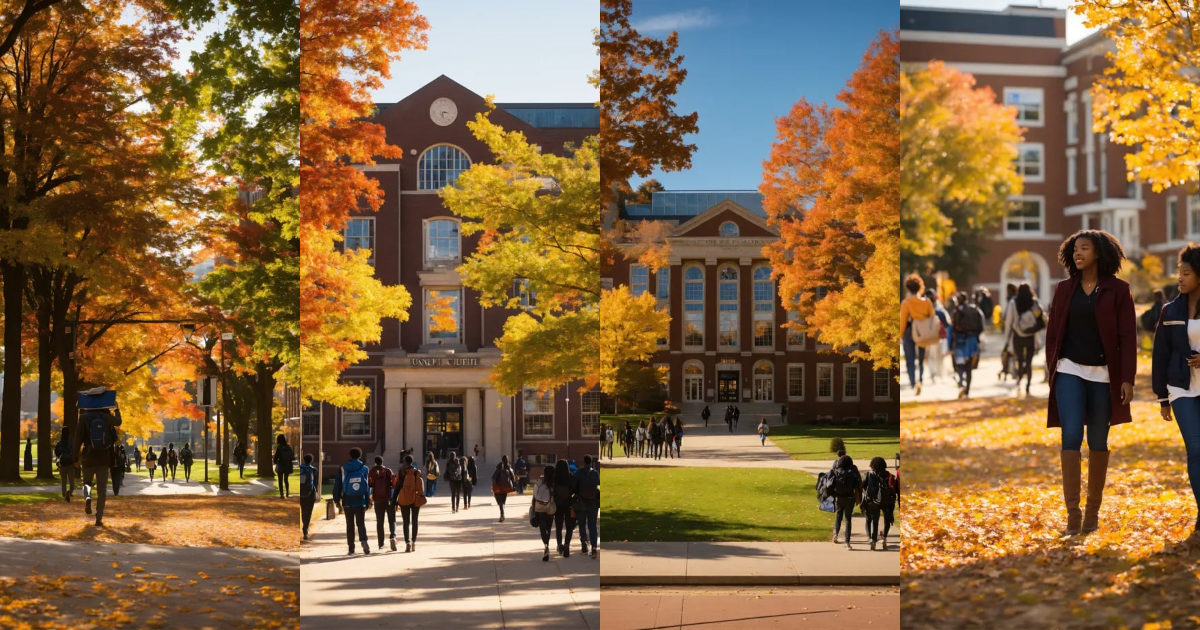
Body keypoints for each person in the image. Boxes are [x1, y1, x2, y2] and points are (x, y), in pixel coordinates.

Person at [1046, 230, 1135, 535]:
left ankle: (1092, 514)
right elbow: (1053, 335)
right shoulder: (1064, 289)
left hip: (1104, 376)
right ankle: (1073, 514)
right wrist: (1053, 367)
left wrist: (1127, 379)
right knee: (1070, 435)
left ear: (1099, 253)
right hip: (1069, 370)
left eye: (1084, 248)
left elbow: (1128, 337)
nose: (1078, 253)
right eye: (1075, 249)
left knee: (1098, 442)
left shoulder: (1119, 290)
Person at [1154, 246, 1200, 535]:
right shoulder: (1170, 310)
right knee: (1195, 448)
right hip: (1181, 388)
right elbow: (1160, 354)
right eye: (1179, 273)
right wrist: (1162, 397)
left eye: (1187, 273)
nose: (1180, 278)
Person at [72, 405, 123, 527]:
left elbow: (78, 439)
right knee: (102, 489)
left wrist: (74, 458)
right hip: (104, 459)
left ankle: (88, 498)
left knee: (87, 483)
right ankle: (99, 517)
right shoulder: (106, 417)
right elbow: (118, 422)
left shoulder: (84, 418)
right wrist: (116, 409)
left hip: (88, 458)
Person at [1004, 283, 1045, 397]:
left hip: (1018, 335)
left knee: (1019, 360)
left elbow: (1009, 322)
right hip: (1031, 336)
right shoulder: (1034, 302)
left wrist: (1007, 339)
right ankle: (1028, 385)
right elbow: (1041, 318)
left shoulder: (1013, 303)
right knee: (1029, 362)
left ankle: (1019, 381)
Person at [901, 274, 936, 395]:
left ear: (908, 288)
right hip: (923, 331)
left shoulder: (906, 303)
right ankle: (920, 380)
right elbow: (932, 317)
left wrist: (901, 335)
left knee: (910, 359)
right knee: (921, 359)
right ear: (920, 287)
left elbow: (903, 321)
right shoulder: (927, 302)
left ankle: (913, 383)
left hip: (910, 331)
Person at [332, 448, 371, 555]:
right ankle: (364, 541)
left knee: (350, 524)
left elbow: (337, 485)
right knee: (361, 523)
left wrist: (336, 499)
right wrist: (367, 500)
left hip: (347, 500)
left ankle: (351, 548)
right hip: (360, 500)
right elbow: (367, 487)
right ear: (360, 456)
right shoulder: (364, 468)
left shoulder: (343, 468)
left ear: (350, 455)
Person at [951, 291, 986, 399]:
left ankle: (961, 383)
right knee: (969, 366)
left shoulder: (957, 311)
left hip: (960, 340)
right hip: (972, 340)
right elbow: (981, 326)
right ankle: (967, 391)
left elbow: (953, 327)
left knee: (960, 364)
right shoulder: (974, 310)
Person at [862, 457, 897, 551]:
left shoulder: (869, 475)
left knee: (875, 521)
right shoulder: (889, 475)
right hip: (886, 501)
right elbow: (893, 489)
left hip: (874, 501)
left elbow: (863, 486)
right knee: (887, 520)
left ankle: (873, 540)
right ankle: (884, 538)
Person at [393, 454, 425, 552]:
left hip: (404, 498)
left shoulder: (401, 471)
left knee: (406, 521)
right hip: (415, 498)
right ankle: (414, 541)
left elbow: (397, 487)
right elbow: (420, 487)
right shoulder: (416, 472)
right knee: (415, 521)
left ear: (405, 461)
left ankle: (407, 542)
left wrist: (394, 500)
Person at [572, 454, 600, 559]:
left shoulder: (578, 473)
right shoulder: (595, 473)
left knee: (582, 525)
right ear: (591, 462)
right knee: (592, 526)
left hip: (581, 502)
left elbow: (574, 487)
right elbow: (598, 485)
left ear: (584, 461)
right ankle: (594, 547)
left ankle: (584, 547)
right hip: (593, 503)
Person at [830, 454, 860, 549]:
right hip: (849, 498)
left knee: (838, 516)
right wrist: (858, 499)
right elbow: (856, 487)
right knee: (848, 519)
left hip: (839, 498)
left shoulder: (836, 472)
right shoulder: (852, 473)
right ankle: (847, 541)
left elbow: (831, 485)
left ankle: (836, 534)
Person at [369, 456, 398, 552]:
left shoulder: (372, 471)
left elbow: (370, 484)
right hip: (388, 498)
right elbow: (393, 484)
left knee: (379, 522)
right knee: (392, 520)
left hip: (377, 499)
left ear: (375, 462)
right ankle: (393, 536)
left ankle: (381, 543)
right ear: (382, 462)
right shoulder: (388, 471)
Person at [552, 460, 577, 558]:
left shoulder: (555, 478)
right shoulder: (570, 476)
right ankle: (567, 544)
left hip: (558, 504)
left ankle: (559, 545)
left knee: (558, 527)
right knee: (569, 527)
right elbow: (574, 489)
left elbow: (552, 491)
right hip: (568, 504)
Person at [926, 288, 950, 383]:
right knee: (940, 356)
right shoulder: (940, 310)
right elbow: (947, 323)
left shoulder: (923, 309)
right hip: (939, 336)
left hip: (928, 336)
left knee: (931, 356)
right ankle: (939, 374)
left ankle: (933, 374)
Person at [532, 465, 555, 561]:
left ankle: (546, 546)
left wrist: (533, 508)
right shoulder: (554, 483)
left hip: (540, 507)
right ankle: (547, 544)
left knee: (542, 528)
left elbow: (534, 496)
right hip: (550, 508)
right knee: (548, 528)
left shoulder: (539, 482)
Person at [492, 455, 516, 522]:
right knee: (503, 502)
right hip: (505, 487)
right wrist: (513, 486)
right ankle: (502, 514)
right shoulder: (509, 468)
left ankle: (502, 514)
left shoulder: (499, 467)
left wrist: (493, 485)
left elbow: (493, 477)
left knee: (500, 502)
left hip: (498, 487)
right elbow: (513, 478)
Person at [55, 428, 75, 502]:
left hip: (62, 464)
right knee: (71, 481)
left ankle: (64, 494)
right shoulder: (70, 443)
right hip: (70, 464)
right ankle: (69, 492)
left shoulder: (59, 443)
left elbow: (56, 452)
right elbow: (74, 452)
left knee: (64, 481)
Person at [274, 434, 294, 498]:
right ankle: (287, 492)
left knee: (280, 480)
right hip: (287, 465)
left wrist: (275, 461)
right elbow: (292, 456)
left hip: (281, 464)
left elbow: (276, 456)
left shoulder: (279, 447)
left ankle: (281, 493)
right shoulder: (288, 447)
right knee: (286, 479)